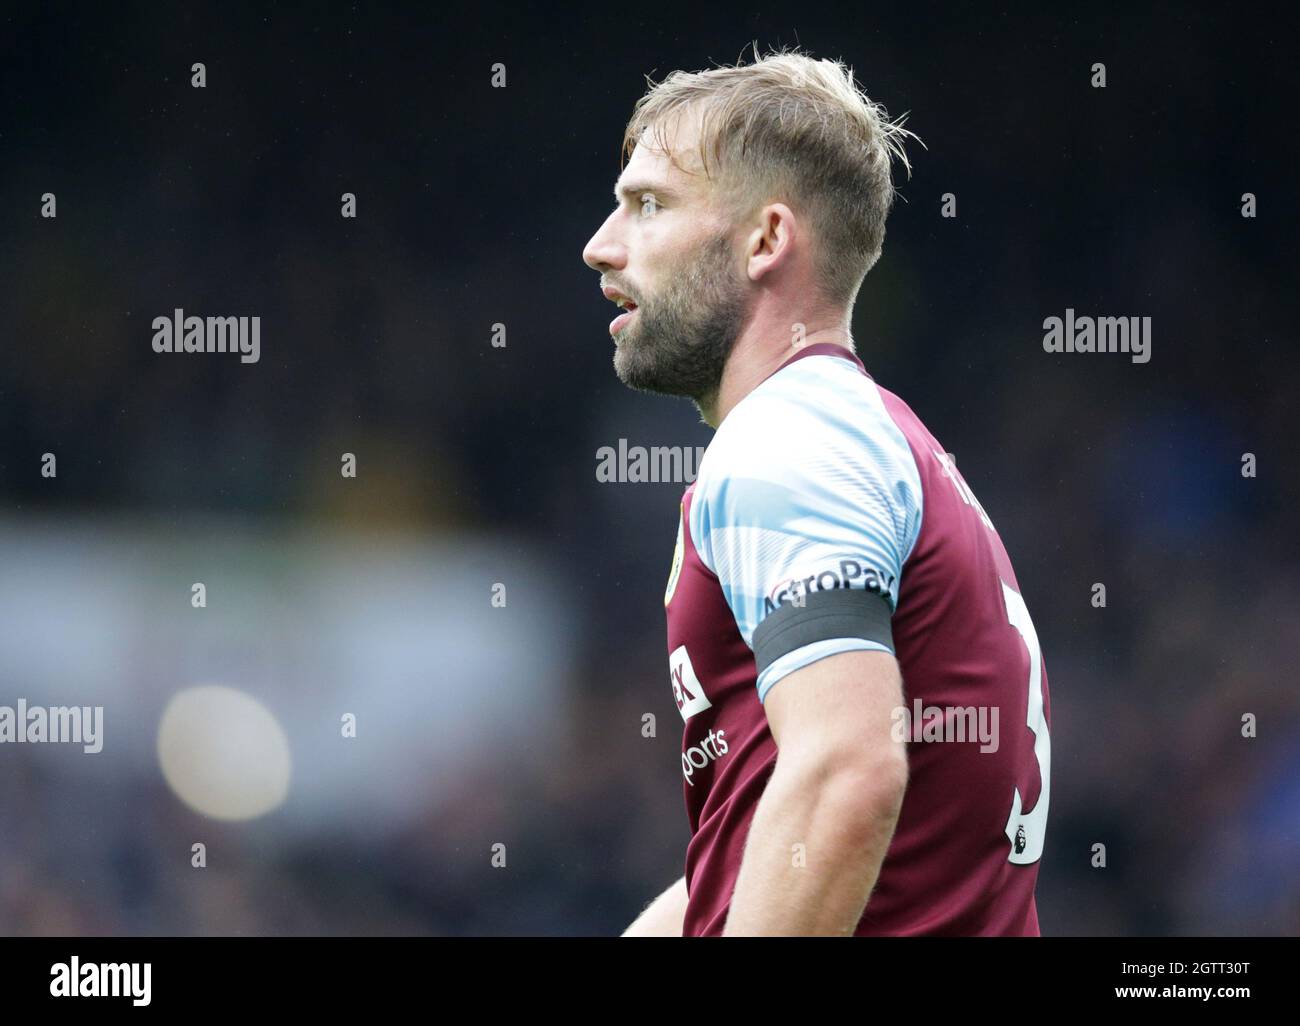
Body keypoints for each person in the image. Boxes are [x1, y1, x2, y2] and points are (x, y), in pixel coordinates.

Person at [582, 47, 1050, 936]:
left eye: (647, 205)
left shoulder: (789, 444)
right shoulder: (867, 440)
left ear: (766, 239)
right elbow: (762, 841)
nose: (601, 245)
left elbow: (846, 775)